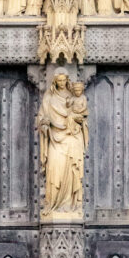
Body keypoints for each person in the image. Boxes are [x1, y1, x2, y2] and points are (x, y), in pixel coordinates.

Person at [37, 72, 88, 214]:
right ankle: (54, 205)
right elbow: (41, 118)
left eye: (63, 80)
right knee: (55, 170)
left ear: (67, 80)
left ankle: (71, 206)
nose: (61, 83)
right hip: (55, 139)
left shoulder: (74, 96)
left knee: (72, 171)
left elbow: (83, 115)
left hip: (71, 137)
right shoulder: (49, 98)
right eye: (58, 80)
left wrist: (78, 120)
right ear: (54, 81)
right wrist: (45, 125)